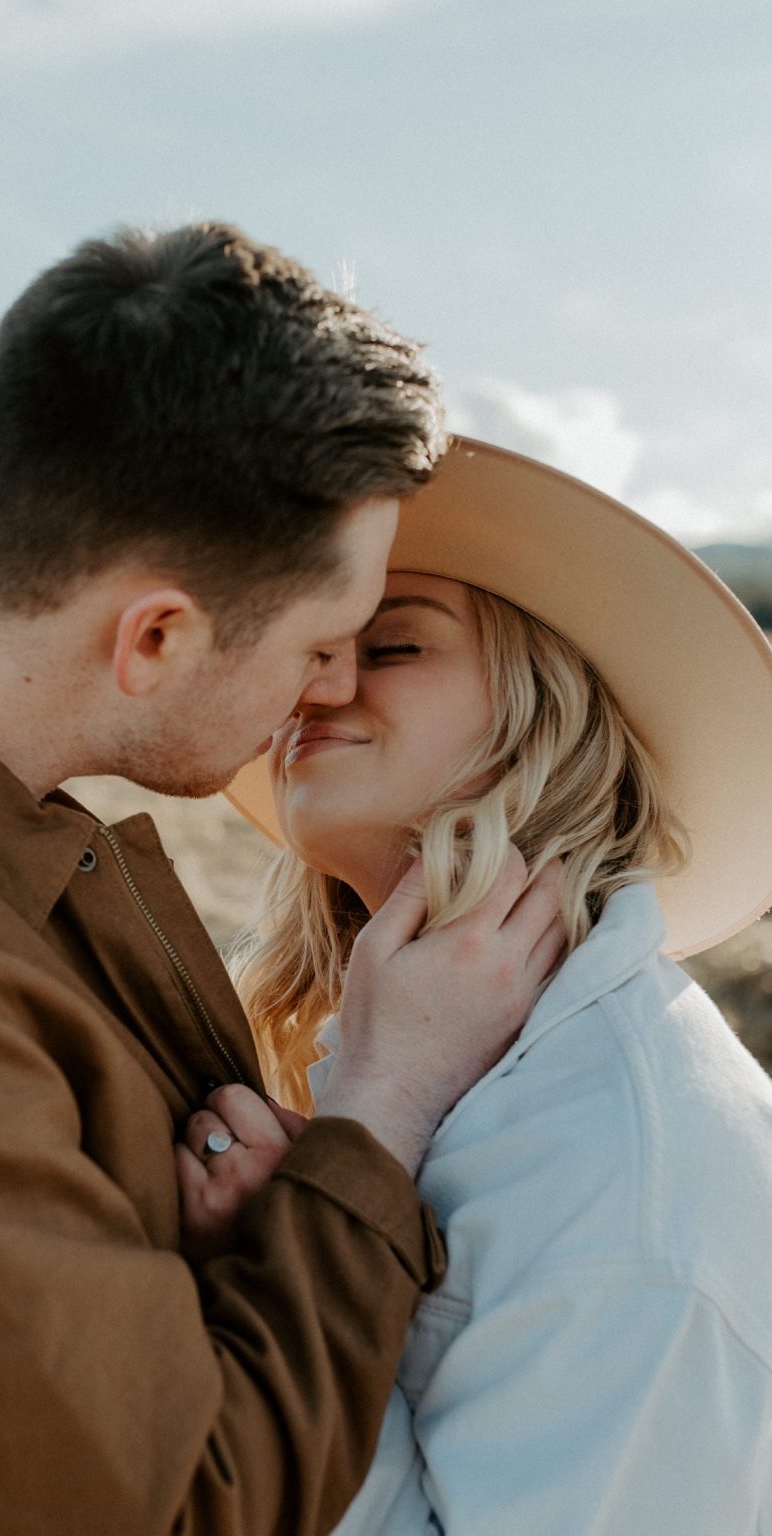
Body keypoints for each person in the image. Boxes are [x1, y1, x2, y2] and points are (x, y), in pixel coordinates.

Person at [0, 231, 565, 1536]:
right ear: (158, 637)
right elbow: (174, 1511)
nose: (334, 689)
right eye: (318, 643)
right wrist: (379, 1113)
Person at [216, 437, 772, 1535]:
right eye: (313, 646)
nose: (317, 683)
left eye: (395, 643)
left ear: (543, 716)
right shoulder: (440, 1052)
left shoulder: (622, 1189)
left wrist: (279, 1281)